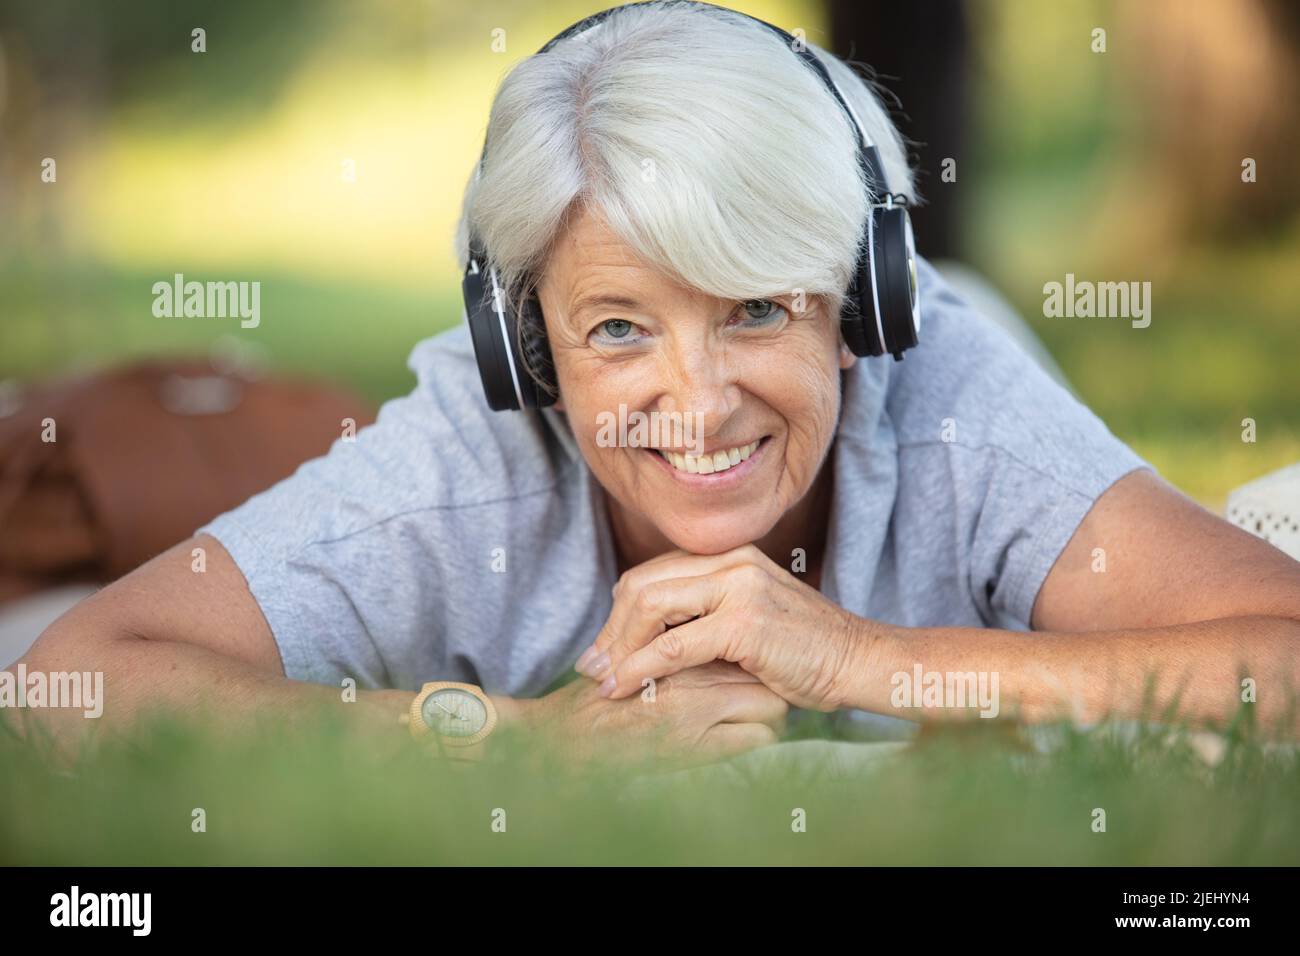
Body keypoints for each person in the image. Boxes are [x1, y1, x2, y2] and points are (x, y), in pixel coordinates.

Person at [11, 2, 1300, 762]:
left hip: (994, 340)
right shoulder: (470, 453)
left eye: (755, 307)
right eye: (619, 327)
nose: (695, 403)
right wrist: (524, 744)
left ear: (860, 306)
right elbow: (79, 671)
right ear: (528, 349)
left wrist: (861, 655)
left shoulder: (956, 396)